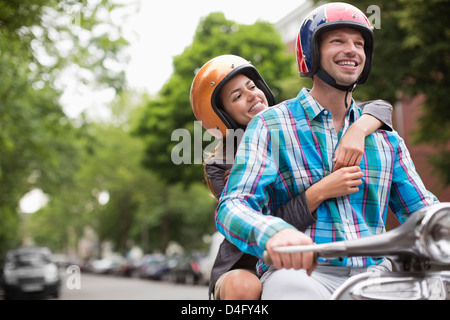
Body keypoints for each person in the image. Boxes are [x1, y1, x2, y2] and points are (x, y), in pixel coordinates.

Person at [215, 2, 439, 300]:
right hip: (301, 275)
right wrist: (273, 233)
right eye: (338, 41)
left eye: (359, 44)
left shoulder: (388, 140)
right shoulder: (270, 125)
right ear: (310, 53)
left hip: (379, 275)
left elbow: (425, 212)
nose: (352, 50)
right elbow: (233, 205)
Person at [190, 54, 394, 299]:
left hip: (317, 254)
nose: (251, 95)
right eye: (237, 96)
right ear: (221, 115)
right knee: (242, 286)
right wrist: (320, 192)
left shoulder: (293, 120)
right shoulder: (220, 163)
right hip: (252, 257)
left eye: (252, 87)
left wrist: (358, 129)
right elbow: (258, 216)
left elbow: (380, 106)